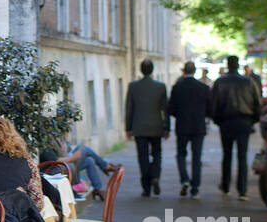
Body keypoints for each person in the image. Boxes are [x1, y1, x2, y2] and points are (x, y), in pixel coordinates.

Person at [212, 54, 262, 200]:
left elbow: (214, 104)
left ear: (228, 65)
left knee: (227, 155)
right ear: (238, 64)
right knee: (242, 155)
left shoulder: (220, 82)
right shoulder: (248, 82)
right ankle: (242, 190)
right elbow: (257, 102)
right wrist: (254, 120)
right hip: (244, 121)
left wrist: (217, 120)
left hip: (226, 122)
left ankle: (226, 185)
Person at [168, 61, 213, 199]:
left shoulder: (177, 87)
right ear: (195, 71)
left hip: (182, 126)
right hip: (198, 127)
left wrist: (181, 116)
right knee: (196, 157)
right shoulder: (203, 88)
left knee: (181, 154)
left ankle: (184, 179)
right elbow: (210, 109)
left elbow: (171, 109)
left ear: (184, 71)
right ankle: (195, 189)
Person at [125, 59, 169, 197]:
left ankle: (146, 187)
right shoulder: (161, 86)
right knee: (157, 154)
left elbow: (129, 108)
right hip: (156, 127)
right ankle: (155, 175)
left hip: (139, 127)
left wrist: (128, 127)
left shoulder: (133, 86)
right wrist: (167, 127)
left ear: (141, 70)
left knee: (142, 157)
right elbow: (165, 110)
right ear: (152, 70)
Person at [44, 138, 117, 201]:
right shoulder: (46, 141)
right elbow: (56, 161)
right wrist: (73, 157)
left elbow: (66, 152)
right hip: (57, 168)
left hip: (67, 162)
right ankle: (105, 166)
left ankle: (98, 189)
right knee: (85, 150)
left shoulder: (58, 137)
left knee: (89, 160)